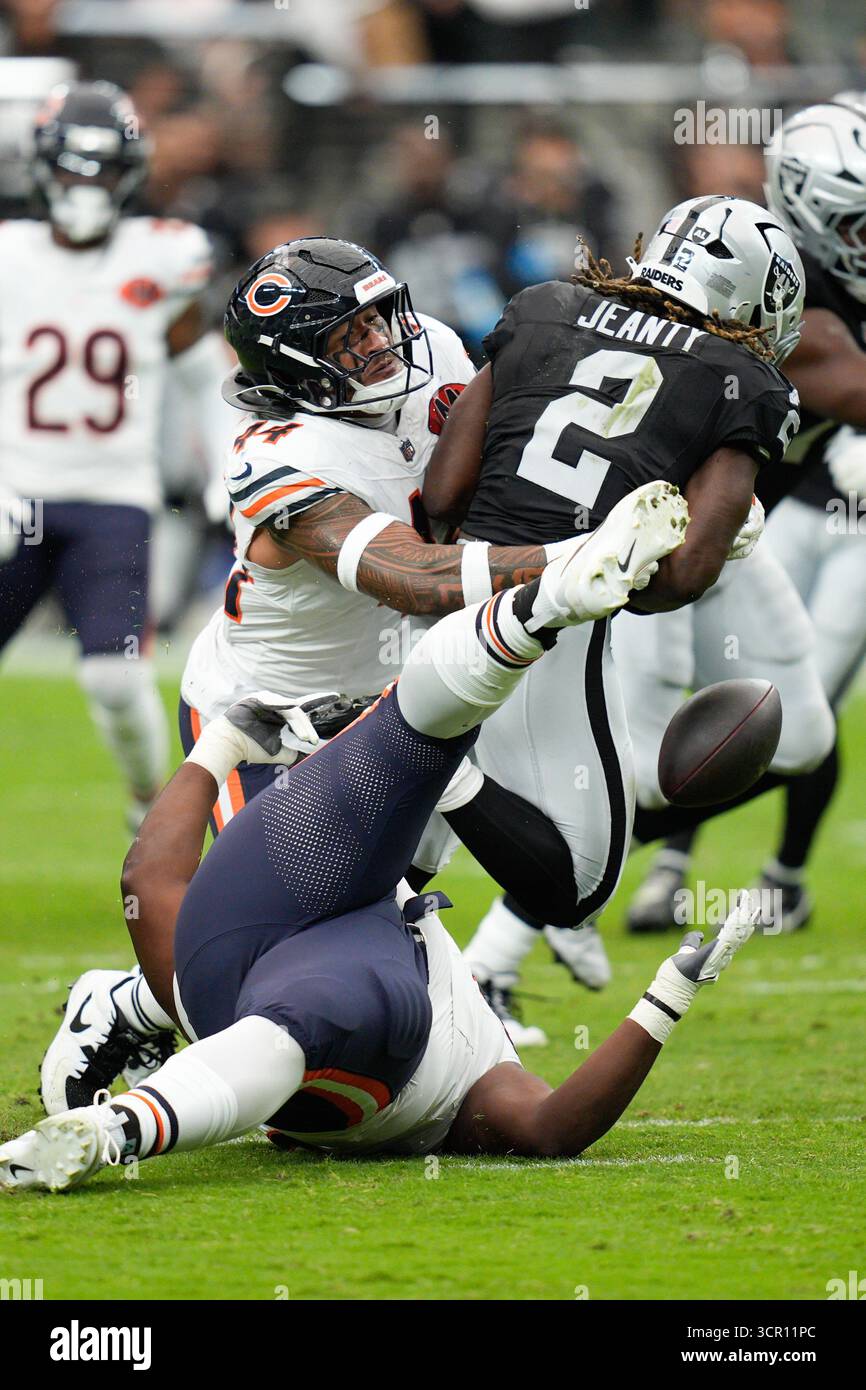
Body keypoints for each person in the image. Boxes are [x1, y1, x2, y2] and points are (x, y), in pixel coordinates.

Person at [1, 481, 761, 1190]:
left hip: (344, 1022)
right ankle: (128, 1038)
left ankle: (547, 600)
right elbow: (146, 883)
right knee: (419, 746)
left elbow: (549, 1128)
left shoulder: (436, 1076)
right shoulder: (459, 1089)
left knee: (417, 742)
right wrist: (672, 989)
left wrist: (225, 742)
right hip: (241, 974)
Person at [421, 194, 805, 1033]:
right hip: (550, 621)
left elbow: (442, 493)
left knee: (393, 864)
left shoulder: (544, 307)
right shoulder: (743, 380)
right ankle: (440, 773)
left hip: (442, 594)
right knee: (575, 883)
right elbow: (681, 579)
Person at [626, 97, 866, 935]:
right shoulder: (786, 296)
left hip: (744, 523)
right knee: (704, 728)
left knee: (789, 719)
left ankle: (751, 876)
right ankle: (573, 876)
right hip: (664, 524)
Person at [0, 81, 230, 832]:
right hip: (14, 490)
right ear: (41, 168)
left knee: (114, 676)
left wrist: (228, 469)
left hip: (113, 497)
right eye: (73, 169)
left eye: (100, 171)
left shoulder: (164, 254)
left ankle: (145, 805)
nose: (86, 188)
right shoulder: (9, 255)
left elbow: (203, 371)